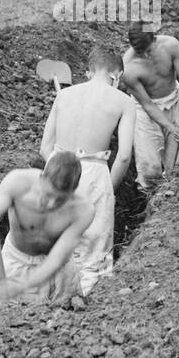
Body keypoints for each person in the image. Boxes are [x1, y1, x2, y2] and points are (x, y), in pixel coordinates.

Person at [39, 47, 135, 294]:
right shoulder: (123, 101)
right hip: (93, 171)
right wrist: (108, 190)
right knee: (93, 245)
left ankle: (49, 296)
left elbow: (44, 148)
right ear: (117, 75)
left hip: (57, 166)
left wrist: (58, 171)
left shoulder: (64, 95)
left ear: (89, 72)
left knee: (55, 237)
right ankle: (86, 299)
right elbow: (124, 156)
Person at [0, 150, 93, 305]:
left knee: (67, 320)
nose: (51, 204)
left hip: (60, 271)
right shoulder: (17, 183)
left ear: (72, 193)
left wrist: (22, 285)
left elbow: (56, 259)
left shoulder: (83, 210)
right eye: (48, 195)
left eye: (60, 200)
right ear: (41, 179)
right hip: (17, 263)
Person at [120, 21, 179, 191]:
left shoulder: (171, 45)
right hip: (145, 112)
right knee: (150, 169)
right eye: (141, 53)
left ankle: (173, 197)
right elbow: (147, 104)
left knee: (176, 165)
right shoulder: (129, 68)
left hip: (175, 101)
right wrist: (169, 126)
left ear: (154, 38)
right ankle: (152, 201)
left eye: (149, 50)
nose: (146, 55)